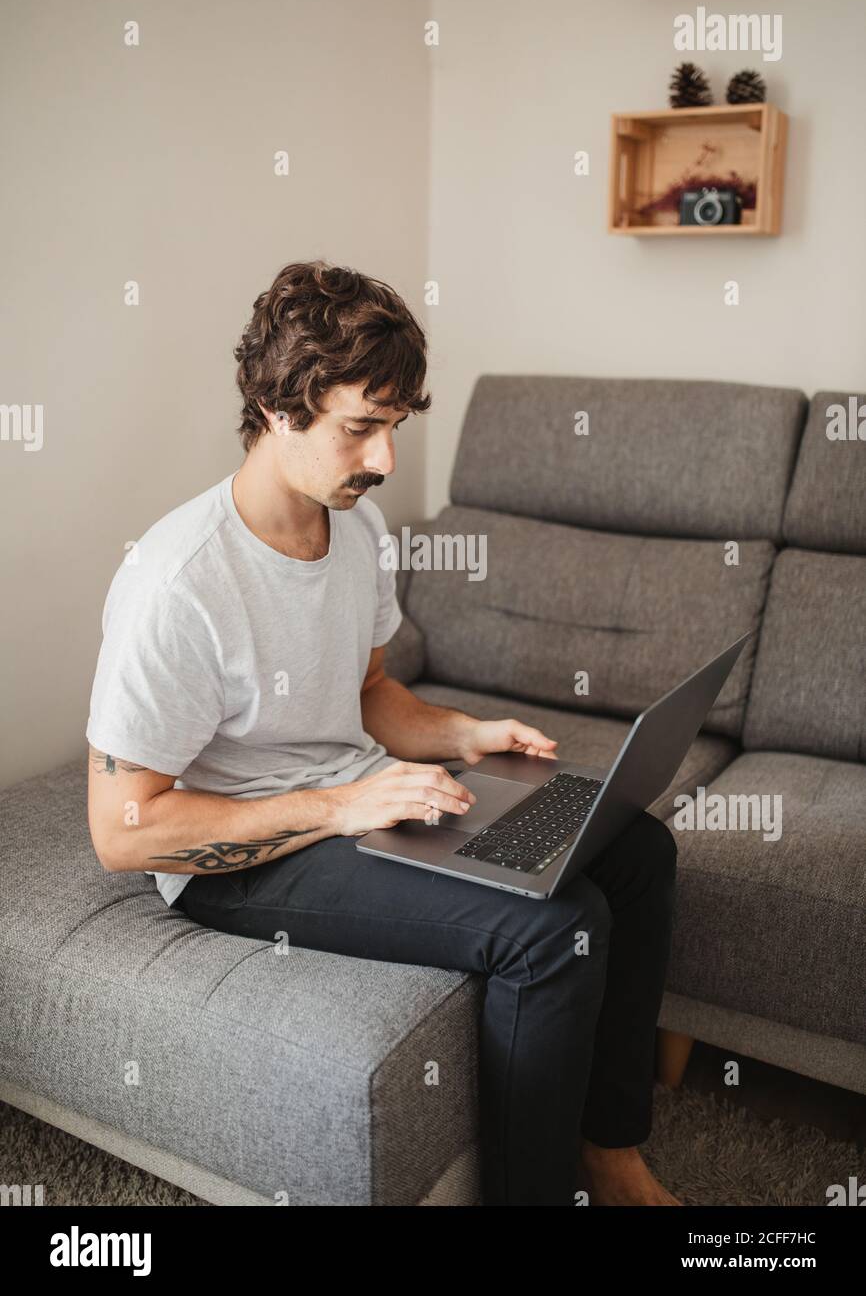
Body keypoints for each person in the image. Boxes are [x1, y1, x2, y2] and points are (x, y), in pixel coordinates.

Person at [86, 259, 681, 1207]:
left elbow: (367, 692)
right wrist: (342, 803)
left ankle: (608, 1148)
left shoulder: (354, 528)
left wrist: (463, 733)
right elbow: (124, 832)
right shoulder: (178, 585)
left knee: (638, 848)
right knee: (554, 930)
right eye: (361, 428)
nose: (385, 461)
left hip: (360, 794)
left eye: (394, 427)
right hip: (237, 860)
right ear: (278, 407)